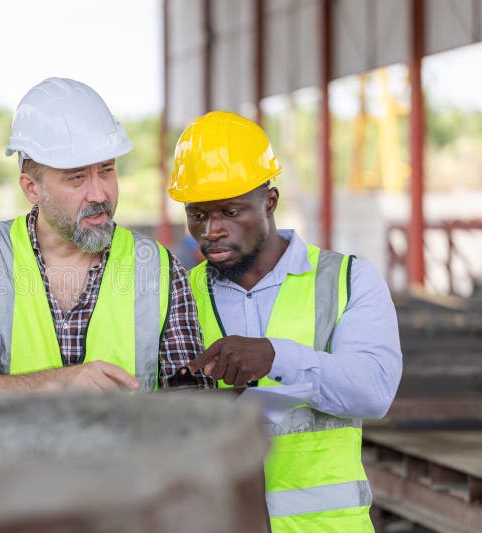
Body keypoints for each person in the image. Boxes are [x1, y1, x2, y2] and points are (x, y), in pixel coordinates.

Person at [169, 111, 402, 531]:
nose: (211, 230)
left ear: (270, 202)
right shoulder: (179, 294)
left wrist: (278, 357)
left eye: (229, 211)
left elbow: (375, 389)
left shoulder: (346, 279)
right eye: (198, 214)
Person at [0, 77, 209, 391]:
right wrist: (59, 384)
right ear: (31, 188)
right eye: (77, 178)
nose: (99, 193)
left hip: (132, 443)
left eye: (106, 169)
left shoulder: (157, 266)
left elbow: (192, 399)